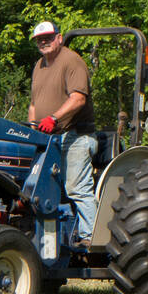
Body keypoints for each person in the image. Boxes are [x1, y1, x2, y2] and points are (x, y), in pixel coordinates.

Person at [27, 20, 97, 246]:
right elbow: (33, 105)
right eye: (39, 39)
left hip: (75, 135)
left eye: (48, 37)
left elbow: (78, 98)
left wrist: (54, 118)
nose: (44, 42)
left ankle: (90, 236)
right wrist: (31, 131)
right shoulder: (38, 66)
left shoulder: (71, 61)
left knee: (76, 187)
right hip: (47, 137)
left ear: (59, 37)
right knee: (36, 187)